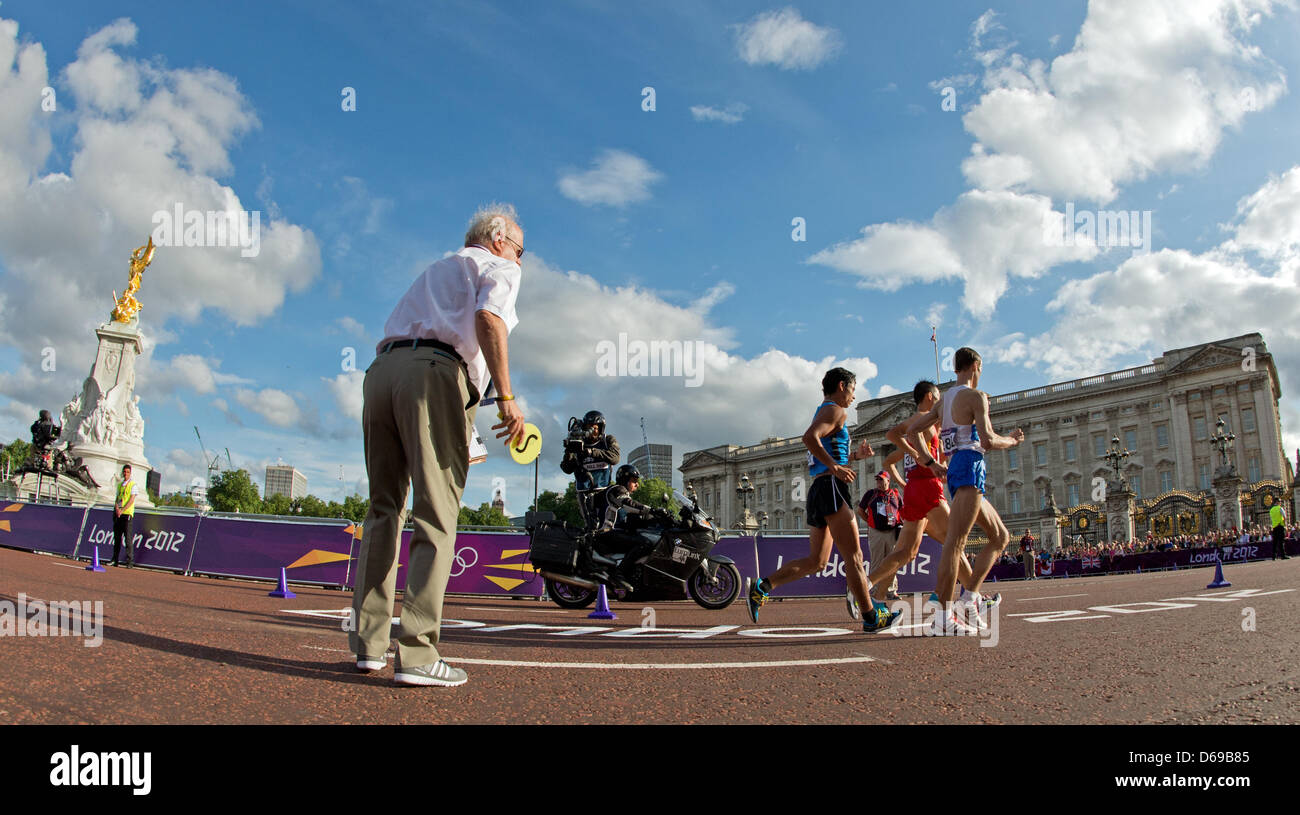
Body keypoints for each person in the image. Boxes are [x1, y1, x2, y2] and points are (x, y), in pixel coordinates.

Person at [350, 204, 527, 688]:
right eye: (520, 249)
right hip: (435, 376)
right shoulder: (499, 266)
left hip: (381, 372)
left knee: (384, 509)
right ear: (497, 238)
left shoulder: (438, 267)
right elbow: (490, 318)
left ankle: (368, 646)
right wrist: (507, 400)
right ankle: (418, 653)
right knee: (436, 515)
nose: (521, 260)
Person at [746, 367, 901, 633]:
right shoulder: (834, 410)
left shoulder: (825, 410)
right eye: (853, 390)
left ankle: (763, 586)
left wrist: (852, 459)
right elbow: (810, 438)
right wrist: (835, 467)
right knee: (854, 556)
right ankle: (871, 617)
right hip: (831, 486)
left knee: (817, 561)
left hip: (820, 488)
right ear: (842, 386)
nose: (853, 397)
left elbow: (823, 451)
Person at [906, 347, 1023, 635]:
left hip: (958, 468)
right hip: (970, 464)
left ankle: (969, 597)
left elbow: (913, 432)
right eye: (980, 369)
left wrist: (930, 462)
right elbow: (988, 439)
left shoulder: (944, 401)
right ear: (975, 366)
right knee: (955, 543)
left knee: (1000, 536)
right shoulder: (975, 397)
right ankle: (943, 618)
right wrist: (1012, 441)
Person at [863, 380, 999, 624]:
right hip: (927, 489)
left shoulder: (923, 425)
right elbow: (894, 437)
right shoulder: (923, 419)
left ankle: (870, 590)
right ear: (929, 397)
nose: (941, 404)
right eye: (937, 398)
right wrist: (924, 458)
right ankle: (970, 596)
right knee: (953, 541)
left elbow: (890, 455)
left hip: (915, 490)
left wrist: (914, 465)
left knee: (905, 551)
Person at [560, 410, 620, 527]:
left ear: (601, 428)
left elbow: (615, 458)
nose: (591, 432)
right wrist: (569, 451)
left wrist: (592, 452)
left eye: (595, 428)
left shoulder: (608, 440)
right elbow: (567, 469)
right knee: (590, 526)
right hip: (584, 492)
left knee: (606, 524)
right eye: (588, 428)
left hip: (603, 490)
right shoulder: (578, 443)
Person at [857, 471, 902, 600]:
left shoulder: (895, 495)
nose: (879, 483)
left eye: (881, 480)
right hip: (876, 532)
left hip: (892, 532)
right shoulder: (871, 494)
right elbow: (860, 511)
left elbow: (902, 511)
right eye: (877, 480)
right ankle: (875, 589)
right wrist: (871, 522)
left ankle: (891, 590)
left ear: (888, 481)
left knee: (892, 562)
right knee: (877, 561)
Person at [111, 464, 138, 567]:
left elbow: (131, 499)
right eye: (124, 472)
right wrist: (117, 509)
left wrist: (122, 510)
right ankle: (115, 559)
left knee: (128, 539)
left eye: (127, 472)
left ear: (130, 473)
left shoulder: (133, 485)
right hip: (118, 514)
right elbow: (117, 498)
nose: (125, 474)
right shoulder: (119, 485)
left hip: (127, 514)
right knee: (117, 538)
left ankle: (129, 561)